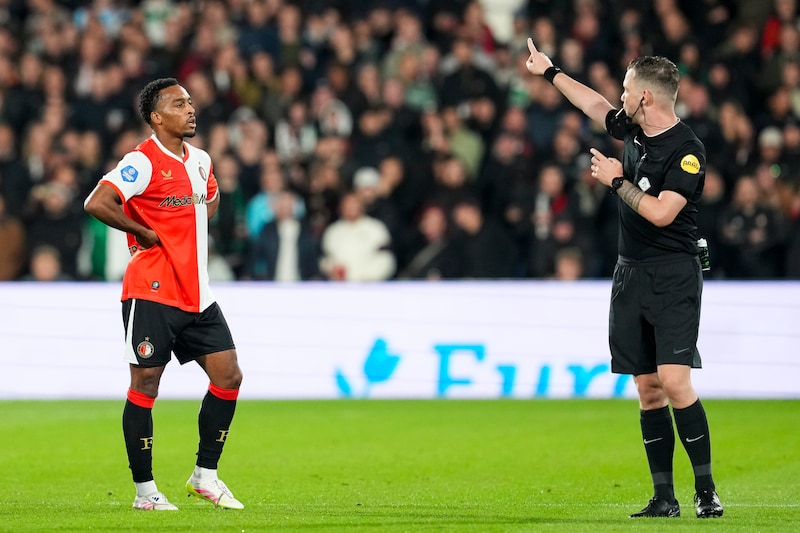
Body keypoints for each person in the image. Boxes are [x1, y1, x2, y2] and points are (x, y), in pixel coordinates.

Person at [525, 39, 723, 519]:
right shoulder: (632, 127)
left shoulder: (687, 150)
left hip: (673, 275)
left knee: (675, 382)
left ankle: (706, 491)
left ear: (645, 97)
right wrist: (550, 71)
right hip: (629, 272)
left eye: (627, 89)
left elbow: (662, 213)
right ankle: (664, 498)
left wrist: (617, 181)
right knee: (648, 388)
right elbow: (593, 104)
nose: (621, 96)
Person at [84, 78, 244, 511]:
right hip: (152, 291)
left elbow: (210, 201)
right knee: (146, 384)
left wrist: (187, 221)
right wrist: (141, 231)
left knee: (229, 376)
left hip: (198, 293)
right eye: (178, 104)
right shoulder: (142, 161)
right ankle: (145, 492)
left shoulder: (202, 160)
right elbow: (97, 202)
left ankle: (204, 476)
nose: (190, 109)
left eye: (190, 102)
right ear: (156, 117)